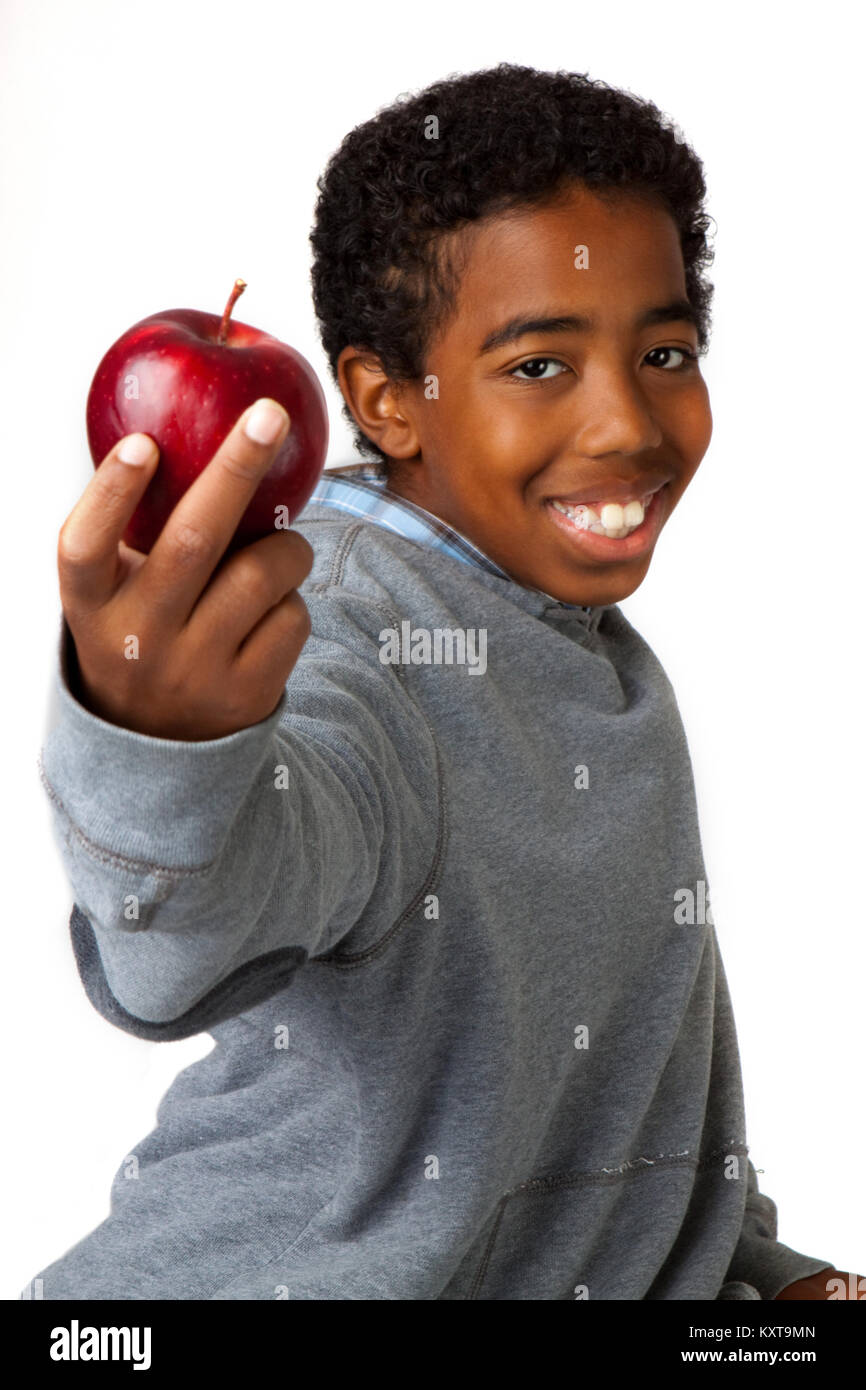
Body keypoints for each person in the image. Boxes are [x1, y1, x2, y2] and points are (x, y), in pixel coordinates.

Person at [23, 63, 859, 1300]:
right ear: (382, 400)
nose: (627, 423)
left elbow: (621, 1071)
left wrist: (757, 1269)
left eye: (666, 349)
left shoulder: (601, 657)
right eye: (537, 366)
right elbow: (184, 945)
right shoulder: (358, 653)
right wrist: (159, 755)